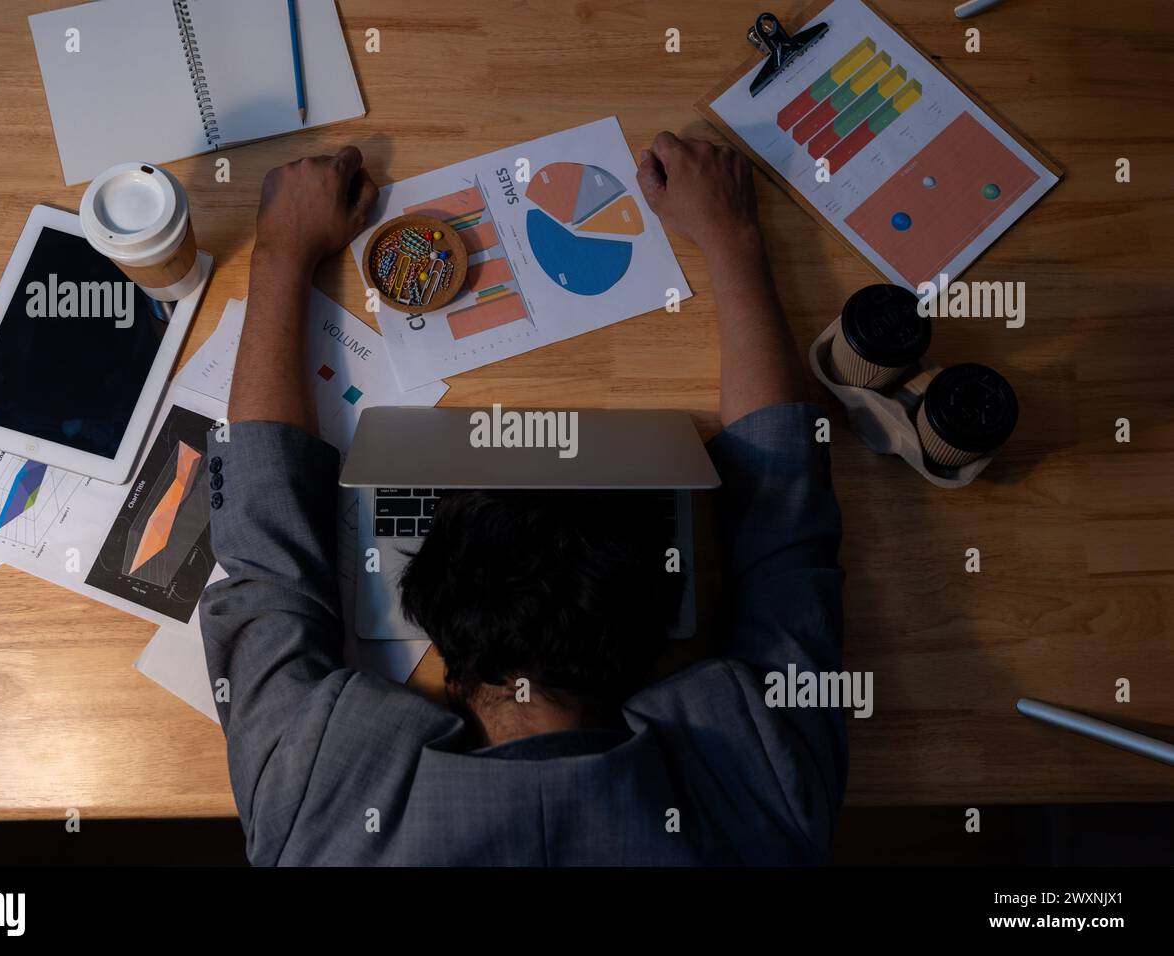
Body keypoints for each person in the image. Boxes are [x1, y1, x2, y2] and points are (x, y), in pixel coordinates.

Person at [200, 133, 846, 865]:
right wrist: (733, 238)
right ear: (665, 632)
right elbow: (787, 542)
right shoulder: (768, 779)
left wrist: (282, 253)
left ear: (437, 635)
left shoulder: (312, 798)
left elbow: (789, 534)